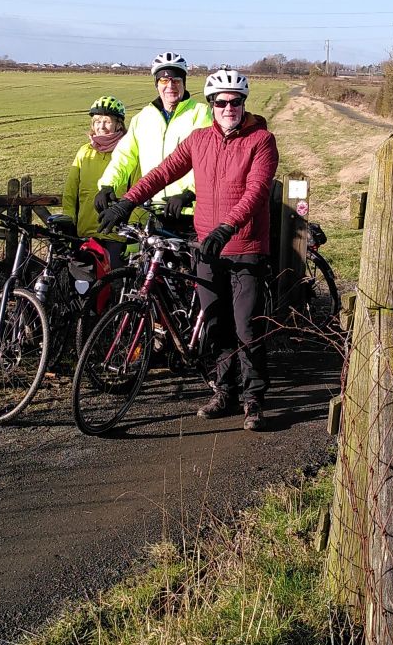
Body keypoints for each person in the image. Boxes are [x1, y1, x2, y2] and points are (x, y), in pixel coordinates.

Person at [99, 67, 278, 430]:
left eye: (236, 101)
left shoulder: (261, 140)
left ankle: (253, 400)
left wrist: (227, 227)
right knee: (216, 324)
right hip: (207, 247)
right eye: (222, 102)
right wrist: (127, 202)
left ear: (244, 103)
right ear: (211, 104)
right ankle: (224, 391)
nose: (229, 108)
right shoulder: (199, 140)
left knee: (246, 327)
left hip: (244, 246)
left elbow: (256, 192)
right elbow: (163, 173)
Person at [94, 52, 211, 235]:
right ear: (156, 84)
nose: (170, 86)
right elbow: (125, 156)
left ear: (184, 83)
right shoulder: (144, 118)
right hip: (156, 209)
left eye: (176, 80)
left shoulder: (200, 113)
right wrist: (108, 185)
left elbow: (208, 160)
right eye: (164, 81)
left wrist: (190, 193)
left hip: (190, 210)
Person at [61, 95, 128, 268]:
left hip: (116, 235)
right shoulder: (84, 152)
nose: (101, 126)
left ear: (118, 124)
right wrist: (68, 220)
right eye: (97, 122)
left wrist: (133, 235)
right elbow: (71, 192)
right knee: (83, 287)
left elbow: (137, 189)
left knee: (114, 288)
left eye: (106, 121)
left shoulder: (128, 152)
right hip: (85, 232)